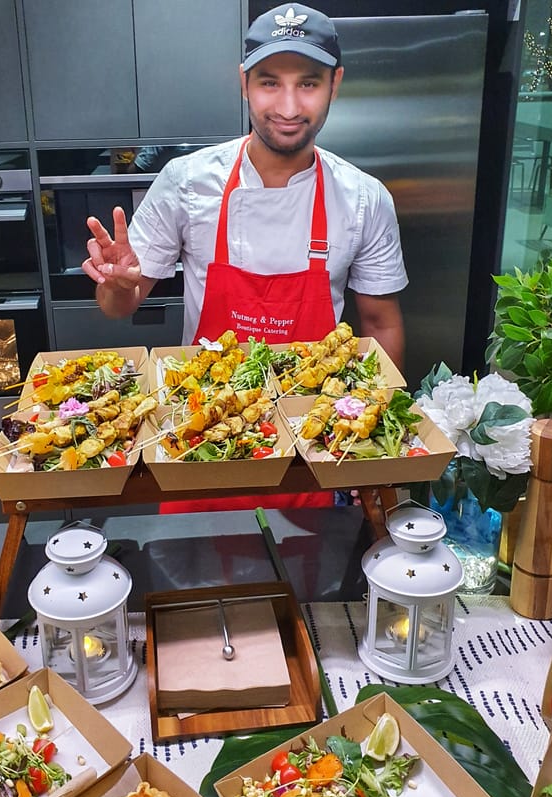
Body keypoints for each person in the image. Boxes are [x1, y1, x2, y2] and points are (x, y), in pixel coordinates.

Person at [82, 3, 408, 511]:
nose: (288, 105)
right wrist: (119, 287)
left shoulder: (364, 198)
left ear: (335, 84)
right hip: (200, 433)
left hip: (314, 442)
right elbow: (117, 306)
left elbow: (381, 324)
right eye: (269, 82)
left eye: (309, 82)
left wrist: (368, 439)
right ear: (244, 84)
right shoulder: (187, 183)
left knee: (305, 579)